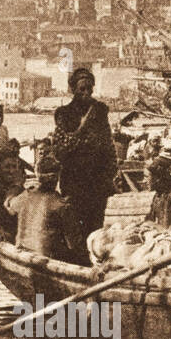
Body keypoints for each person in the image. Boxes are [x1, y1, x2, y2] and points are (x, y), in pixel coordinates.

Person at [51, 66, 116, 241]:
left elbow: (108, 145)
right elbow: (59, 150)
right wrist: (82, 127)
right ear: (73, 90)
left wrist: (111, 174)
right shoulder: (63, 114)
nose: (87, 93)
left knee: (96, 227)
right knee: (74, 227)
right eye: (82, 89)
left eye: (90, 88)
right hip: (74, 182)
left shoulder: (100, 110)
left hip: (97, 182)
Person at [4, 150, 80, 262]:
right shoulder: (61, 205)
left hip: (22, 255)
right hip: (46, 259)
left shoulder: (25, 196)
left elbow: (8, 207)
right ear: (57, 177)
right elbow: (72, 243)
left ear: (37, 175)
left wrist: (14, 189)